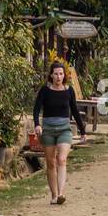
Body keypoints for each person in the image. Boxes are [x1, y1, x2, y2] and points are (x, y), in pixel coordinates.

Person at [33, 61, 87, 205]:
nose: (58, 76)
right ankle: (54, 195)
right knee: (51, 163)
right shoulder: (45, 90)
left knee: (61, 159)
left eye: (61, 74)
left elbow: (75, 110)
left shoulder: (69, 91)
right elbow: (37, 108)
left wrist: (82, 131)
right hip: (48, 130)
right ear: (51, 75)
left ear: (64, 76)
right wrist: (37, 125)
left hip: (64, 129)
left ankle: (61, 193)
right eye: (56, 73)